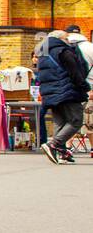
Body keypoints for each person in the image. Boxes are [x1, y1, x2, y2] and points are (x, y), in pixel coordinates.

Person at [36, 30, 91, 165]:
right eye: (67, 38)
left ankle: (61, 153)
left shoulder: (43, 53)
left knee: (60, 122)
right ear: (60, 39)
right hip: (67, 91)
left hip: (50, 92)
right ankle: (53, 144)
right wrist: (85, 87)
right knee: (76, 121)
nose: (69, 40)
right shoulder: (63, 51)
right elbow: (75, 72)